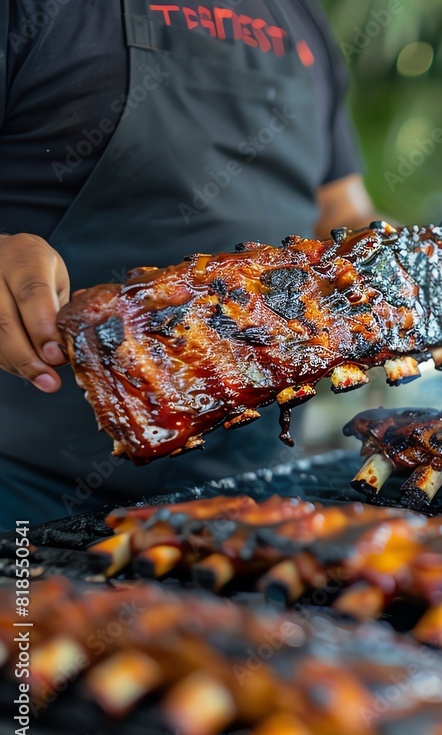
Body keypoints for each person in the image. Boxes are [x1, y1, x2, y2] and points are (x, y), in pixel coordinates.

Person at [0, 1, 384, 522]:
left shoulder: (300, 17)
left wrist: (411, 267)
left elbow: (343, 211)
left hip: (254, 487)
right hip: (27, 484)